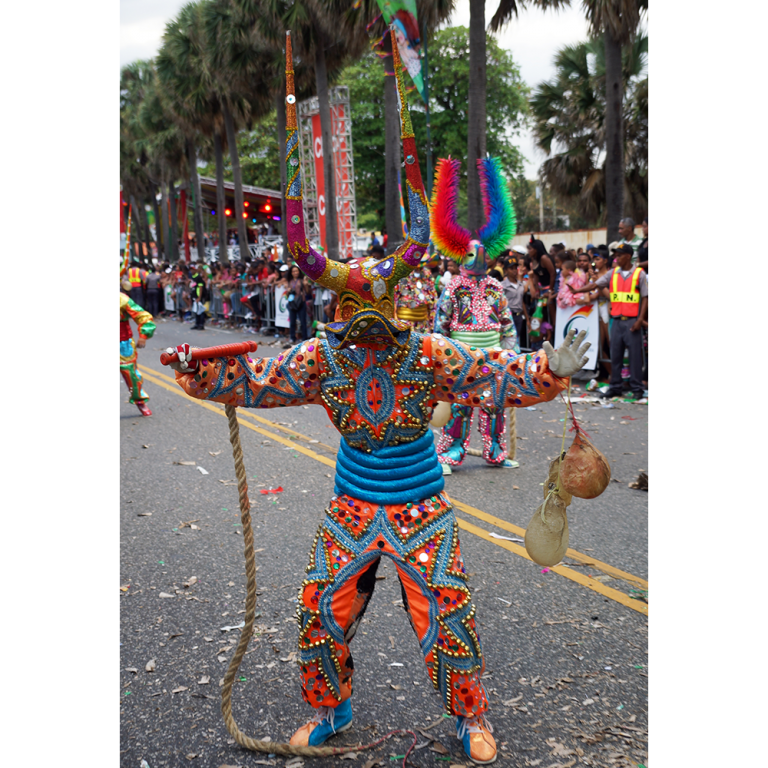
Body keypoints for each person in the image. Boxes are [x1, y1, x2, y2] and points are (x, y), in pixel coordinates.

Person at [169, 35, 592, 765]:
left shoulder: (427, 353)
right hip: (351, 507)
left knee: (448, 613)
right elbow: (260, 381)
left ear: (400, 303)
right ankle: (329, 708)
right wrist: (202, 376)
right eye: (353, 305)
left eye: (380, 303)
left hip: (422, 506)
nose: (367, 319)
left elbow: (492, 378)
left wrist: (547, 371)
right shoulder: (322, 357)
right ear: (339, 310)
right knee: (318, 610)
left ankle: (469, 717)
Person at [432, 155, 521, 474]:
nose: (478, 257)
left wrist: (511, 351)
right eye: (472, 253)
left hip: (493, 354)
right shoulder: (453, 287)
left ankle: (495, 451)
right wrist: (441, 355)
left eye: (481, 252)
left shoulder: (495, 287)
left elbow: (507, 323)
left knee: (494, 404)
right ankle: (450, 453)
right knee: (459, 405)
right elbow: (441, 324)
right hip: (461, 355)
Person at [568, 243, 648, 401]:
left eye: (619, 255)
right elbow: (595, 284)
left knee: (635, 357)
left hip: (632, 321)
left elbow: (646, 297)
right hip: (616, 320)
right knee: (615, 355)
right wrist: (577, 291)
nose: (616, 258)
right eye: (615, 255)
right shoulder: (613, 273)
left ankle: (637, 388)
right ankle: (615, 387)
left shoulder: (639, 274)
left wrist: (640, 319)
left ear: (628, 256)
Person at [119, 278, 155, 417]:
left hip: (123, 344)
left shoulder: (122, 299)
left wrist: (143, 335)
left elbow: (143, 316)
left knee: (131, 375)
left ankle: (140, 401)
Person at [501, 259, 530, 345]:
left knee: (516, 339)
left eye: (515, 268)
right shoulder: (503, 285)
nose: (514, 270)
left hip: (518, 315)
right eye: (511, 268)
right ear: (506, 270)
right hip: (508, 315)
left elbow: (522, 301)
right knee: (508, 339)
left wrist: (527, 319)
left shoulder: (520, 284)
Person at [286, 264, 308, 346]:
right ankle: (292, 338)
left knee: (303, 322)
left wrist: (306, 285)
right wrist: (288, 291)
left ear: (299, 271)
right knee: (292, 321)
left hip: (301, 302)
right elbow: (287, 295)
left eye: (296, 271)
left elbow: (307, 292)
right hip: (292, 303)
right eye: (293, 271)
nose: (295, 272)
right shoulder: (289, 282)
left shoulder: (302, 280)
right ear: (291, 273)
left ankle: (304, 338)